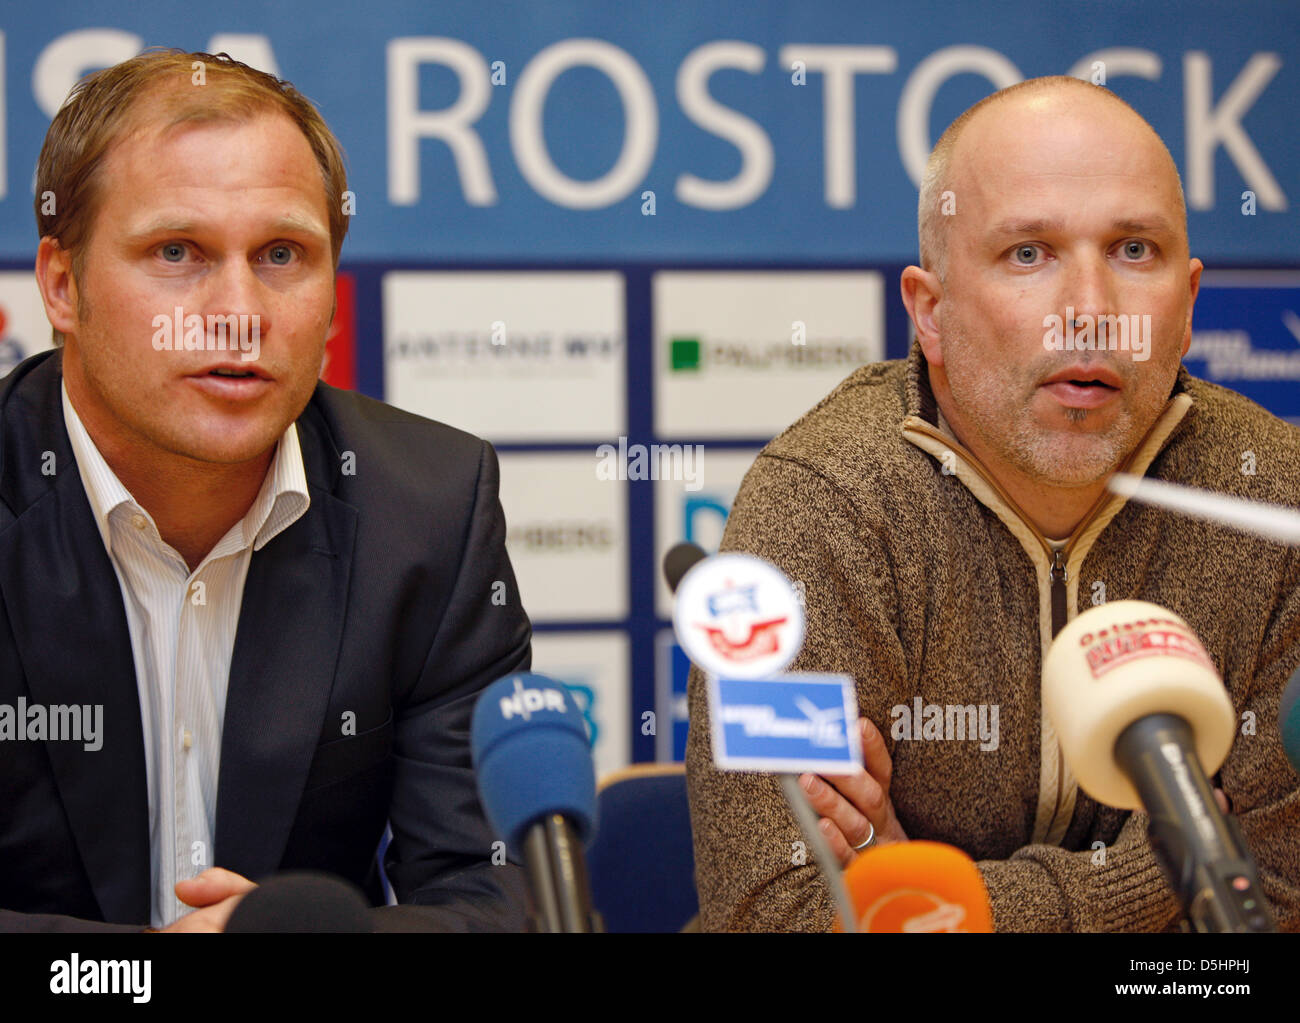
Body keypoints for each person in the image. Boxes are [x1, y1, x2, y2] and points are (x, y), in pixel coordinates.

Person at [685, 76, 1300, 932]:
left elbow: (1266, 913)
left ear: (1188, 304)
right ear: (929, 313)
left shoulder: (1274, 499)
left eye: (1133, 251)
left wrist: (933, 896)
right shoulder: (819, 510)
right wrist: (1150, 877)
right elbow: (777, 914)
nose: (1089, 315)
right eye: (1029, 254)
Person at [0, 50, 531, 932]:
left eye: (282, 253)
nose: (241, 310)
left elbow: (504, 891)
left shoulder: (430, 510)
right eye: (178, 251)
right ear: (63, 284)